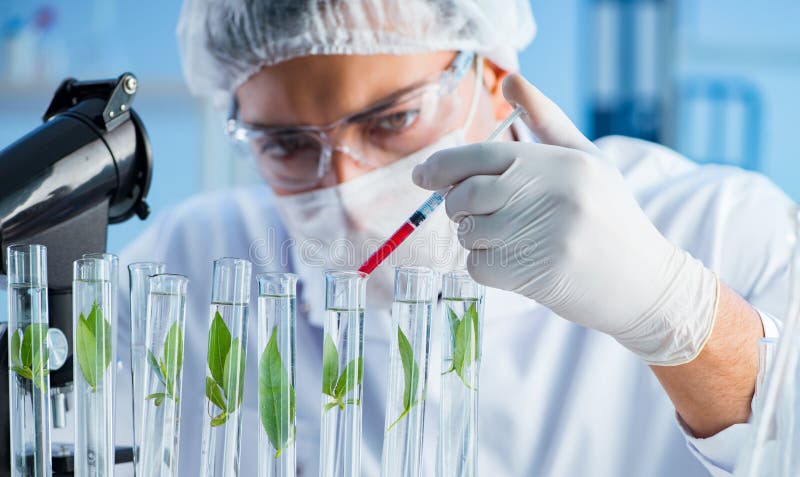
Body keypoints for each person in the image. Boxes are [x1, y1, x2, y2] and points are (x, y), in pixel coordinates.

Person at [115, 1, 795, 476]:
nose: (346, 189)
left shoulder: (720, 226)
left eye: (393, 120)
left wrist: (675, 313)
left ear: (494, 75)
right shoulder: (194, 262)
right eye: (286, 145)